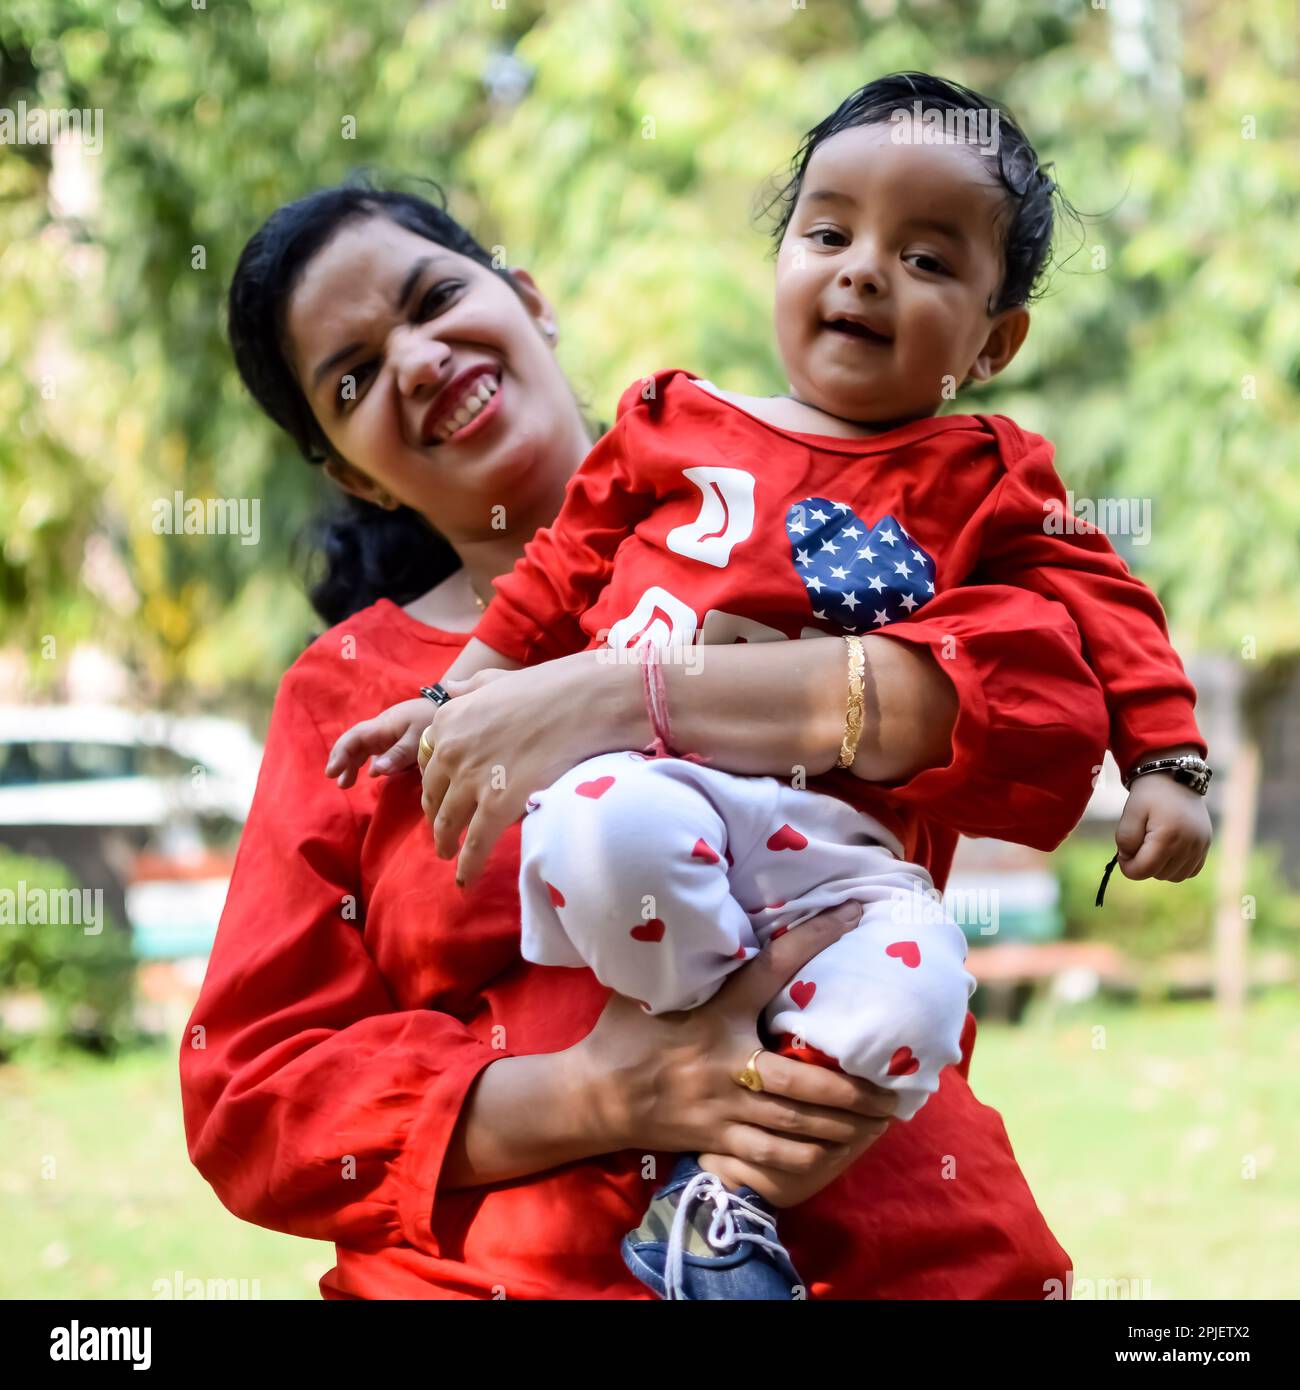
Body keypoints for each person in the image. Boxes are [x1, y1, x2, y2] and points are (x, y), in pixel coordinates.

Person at [328, 76, 1211, 1299]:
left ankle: (719, 1206)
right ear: (781, 255)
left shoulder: (985, 476)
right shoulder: (672, 425)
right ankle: (702, 1034)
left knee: (923, 972)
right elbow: (552, 578)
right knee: (600, 823)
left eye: (925, 257)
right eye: (829, 232)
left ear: (992, 343)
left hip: (839, 861)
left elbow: (1102, 615)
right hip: (654, 798)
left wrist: (1166, 763)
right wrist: (451, 697)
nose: (861, 273)